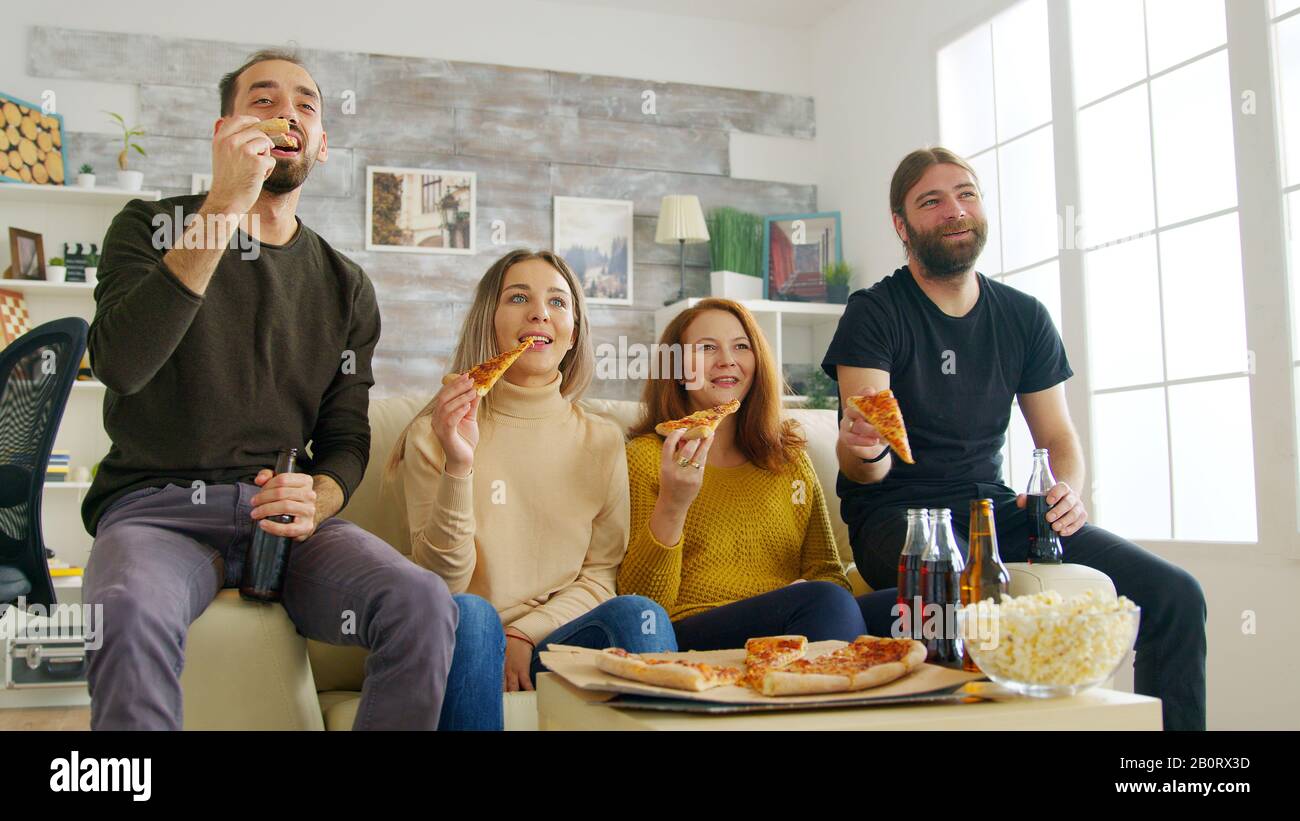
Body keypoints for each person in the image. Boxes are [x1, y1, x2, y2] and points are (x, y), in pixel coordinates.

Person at [80, 50, 463, 730]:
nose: (287, 112)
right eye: (263, 100)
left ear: (321, 145)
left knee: (423, 603)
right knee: (125, 609)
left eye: (306, 105)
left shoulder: (346, 286)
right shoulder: (149, 227)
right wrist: (226, 202)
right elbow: (122, 364)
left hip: (281, 522)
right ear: (225, 129)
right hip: (154, 512)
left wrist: (320, 494)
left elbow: (345, 438)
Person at [822, 146, 1208, 730]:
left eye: (966, 193)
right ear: (901, 225)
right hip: (899, 518)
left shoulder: (1024, 317)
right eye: (932, 201)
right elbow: (862, 470)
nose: (955, 210)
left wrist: (1067, 494)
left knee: (1177, 593)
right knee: (952, 594)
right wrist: (865, 445)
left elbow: (1057, 438)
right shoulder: (874, 313)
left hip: (991, 510)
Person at [389, 248, 675, 728]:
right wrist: (459, 465)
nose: (540, 312)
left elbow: (601, 576)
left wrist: (524, 635)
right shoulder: (432, 436)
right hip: (463, 637)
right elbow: (442, 585)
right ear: (490, 321)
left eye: (558, 302)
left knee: (639, 614)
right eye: (518, 297)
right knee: (474, 617)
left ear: (573, 333)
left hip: (556, 640)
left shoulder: (602, 440)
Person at [618, 298, 897, 650]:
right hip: (695, 627)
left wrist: (801, 595)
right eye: (706, 348)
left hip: (801, 613)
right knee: (827, 602)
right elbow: (643, 605)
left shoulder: (789, 457)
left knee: (928, 608)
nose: (727, 360)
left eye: (741, 346)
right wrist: (674, 504)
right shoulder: (647, 456)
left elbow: (827, 573)